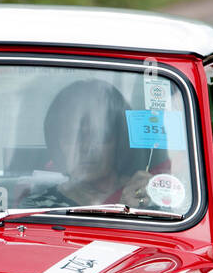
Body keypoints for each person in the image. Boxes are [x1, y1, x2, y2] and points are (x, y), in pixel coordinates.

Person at [18, 79, 158, 210]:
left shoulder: (143, 197)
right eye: (72, 136)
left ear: (119, 141)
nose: (85, 147)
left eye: (98, 136)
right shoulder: (36, 209)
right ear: (58, 144)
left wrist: (139, 206)